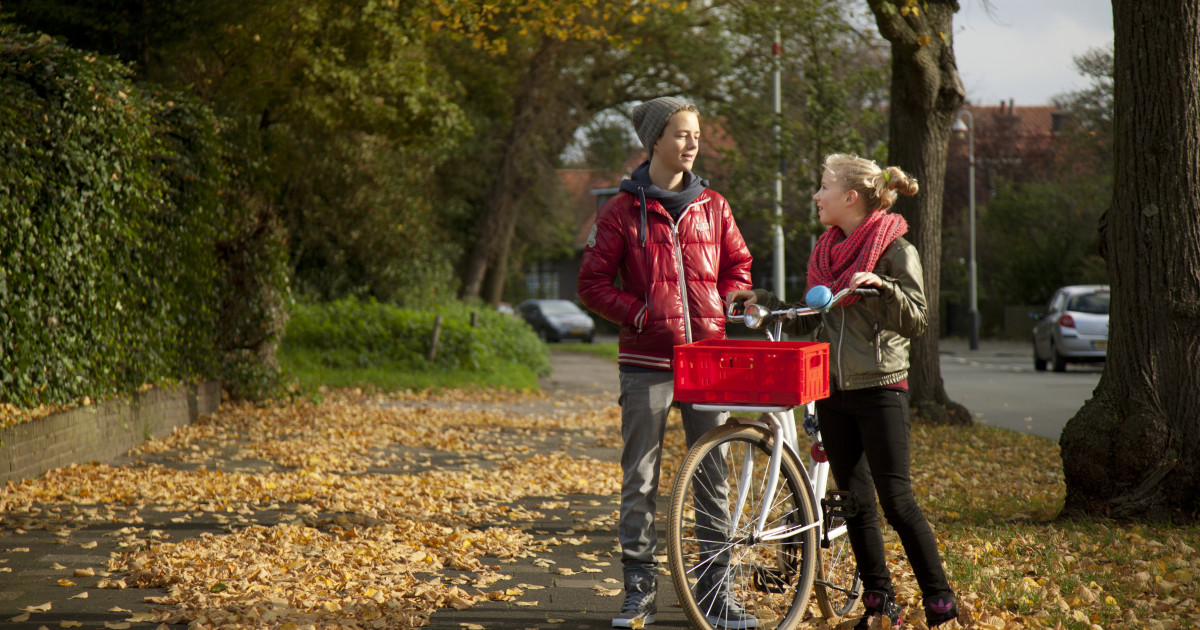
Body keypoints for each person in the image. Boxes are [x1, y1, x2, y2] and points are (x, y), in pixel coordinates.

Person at [727, 153, 959, 629]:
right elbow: (817, 310)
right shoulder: (826, 252)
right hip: (831, 390)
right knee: (853, 500)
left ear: (850, 197)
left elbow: (917, 318)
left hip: (880, 389)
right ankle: (879, 602)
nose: (816, 195)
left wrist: (883, 289)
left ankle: (940, 602)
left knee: (896, 499)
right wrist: (768, 303)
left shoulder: (896, 248)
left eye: (823, 186)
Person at [577, 96, 755, 629]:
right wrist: (639, 314)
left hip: (707, 360)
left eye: (695, 133)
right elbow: (592, 284)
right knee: (641, 479)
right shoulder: (619, 212)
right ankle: (639, 594)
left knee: (712, 479)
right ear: (654, 140)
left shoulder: (714, 205)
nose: (692, 142)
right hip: (645, 363)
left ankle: (715, 595)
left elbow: (739, 265)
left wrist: (727, 302)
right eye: (681, 133)